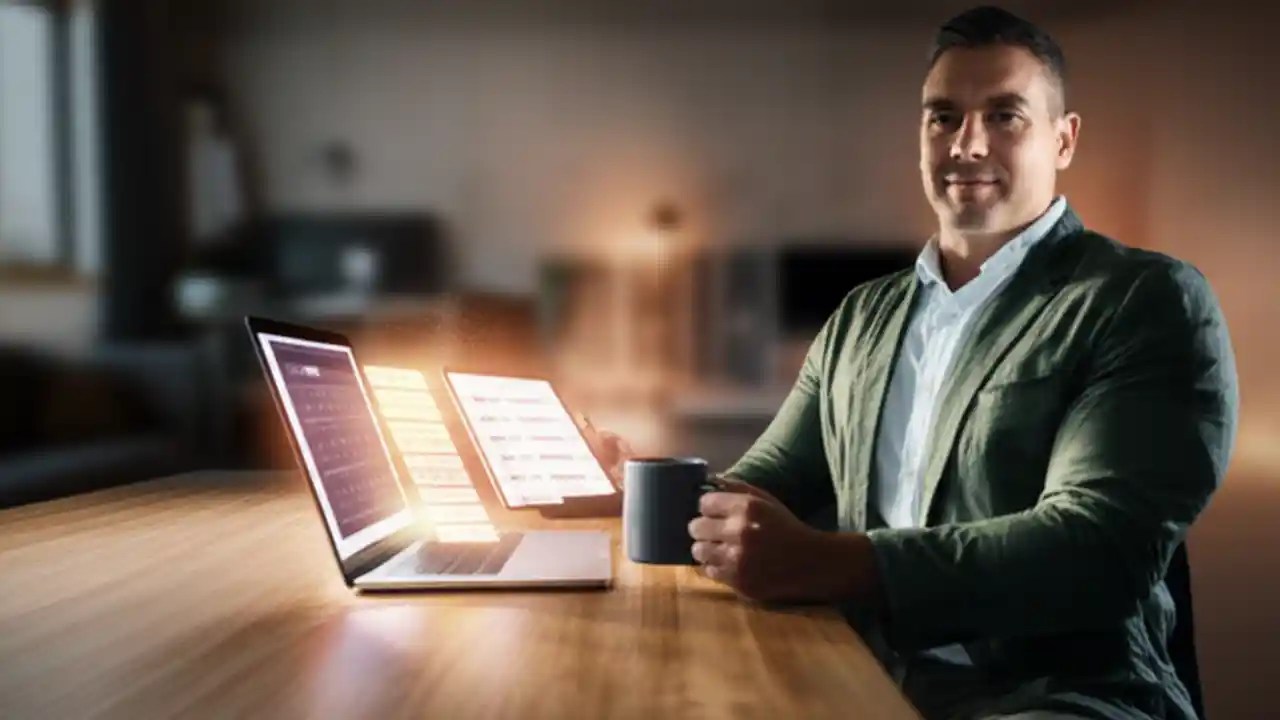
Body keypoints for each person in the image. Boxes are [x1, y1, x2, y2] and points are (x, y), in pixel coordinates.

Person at [606, 6, 1239, 719]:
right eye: (943, 118)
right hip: (866, 668)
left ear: (1064, 141)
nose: (967, 144)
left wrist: (830, 563)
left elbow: (1094, 551)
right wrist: (637, 488)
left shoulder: (1143, 300)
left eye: (1005, 116)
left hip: (1065, 697)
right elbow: (763, 490)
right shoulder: (861, 318)